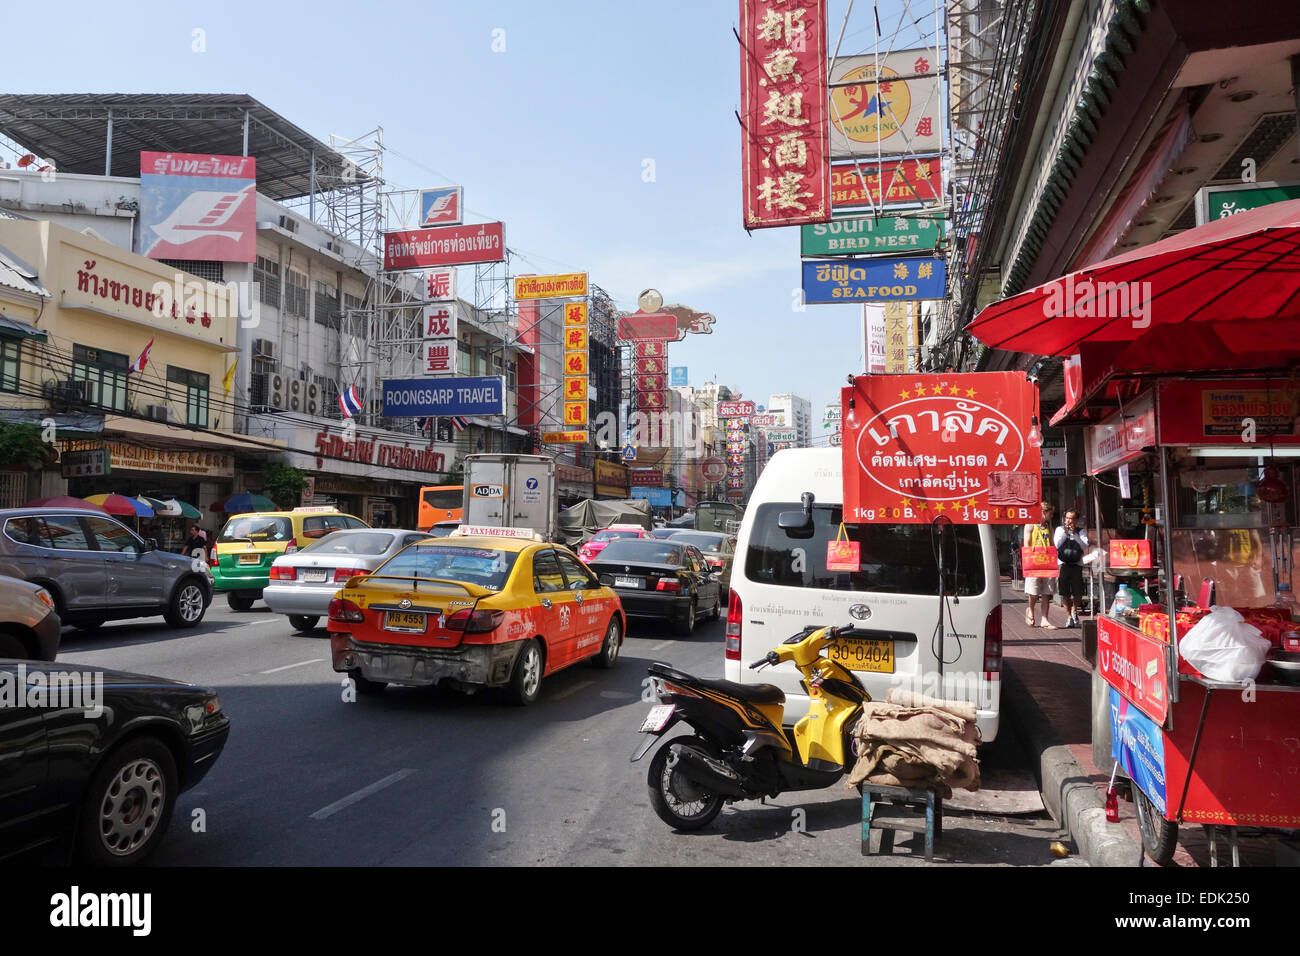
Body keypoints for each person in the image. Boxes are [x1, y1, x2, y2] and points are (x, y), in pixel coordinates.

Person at [1022, 502, 1057, 628]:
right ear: (1043, 512)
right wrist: (1030, 559)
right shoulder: (1030, 525)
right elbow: (1026, 544)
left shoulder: (1048, 526)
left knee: (1047, 592)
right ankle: (1030, 609)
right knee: (1034, 591)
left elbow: (1052, 544)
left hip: (1047, 562)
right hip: (1035, 562)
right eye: (1050, 513)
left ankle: (1044, 619)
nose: (1052, 516)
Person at [1054, 510, 1090, 627]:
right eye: (1067, 518)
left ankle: (1074, 611)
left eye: (1072, 518)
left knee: (1078, 591)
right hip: (1063, 564)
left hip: (1077, 564)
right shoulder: (1060, 530)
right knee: (1065, 592)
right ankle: (1069, 616)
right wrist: (1066, 532)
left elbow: (1085, 546)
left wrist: (1075, 534)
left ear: (1076, 520)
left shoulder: (1081, 531)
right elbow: (1057, 544)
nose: (1069, 521)